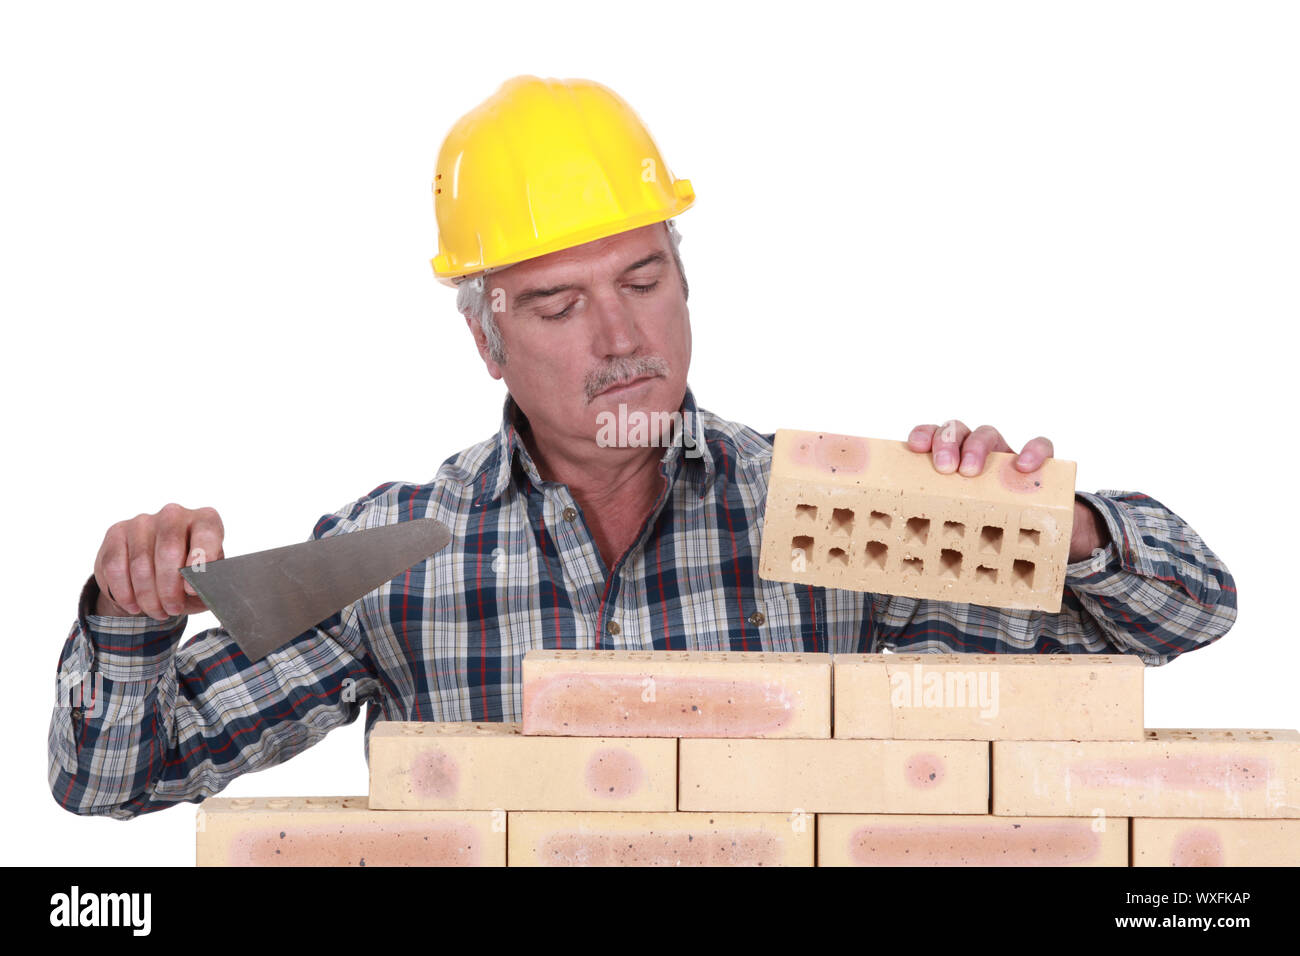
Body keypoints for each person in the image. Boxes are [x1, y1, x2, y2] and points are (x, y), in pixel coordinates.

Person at [49, 76, 1237, 820]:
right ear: (486, 341)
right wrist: (129, 614)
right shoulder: (394, 554)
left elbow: (1186, 614)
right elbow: (113, 776)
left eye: (642, 278)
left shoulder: (829, 513)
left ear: (685, 280)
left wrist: (1052, 526)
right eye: (558, 305)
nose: (620, 338)